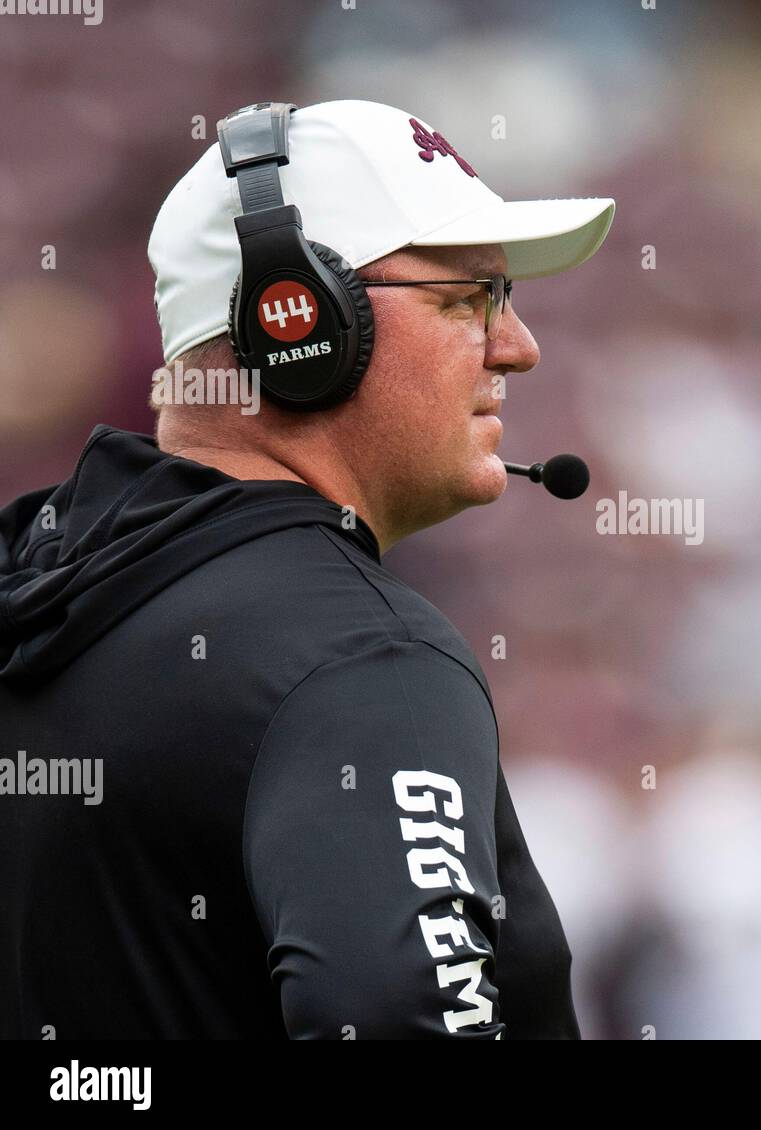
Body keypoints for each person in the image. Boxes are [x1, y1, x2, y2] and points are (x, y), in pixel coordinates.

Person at [0, 99, 615, 1039]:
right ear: (301, 325)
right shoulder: (362, 660)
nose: (517, 347)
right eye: (467, 299)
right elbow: (395, 1014)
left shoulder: (42, 591)